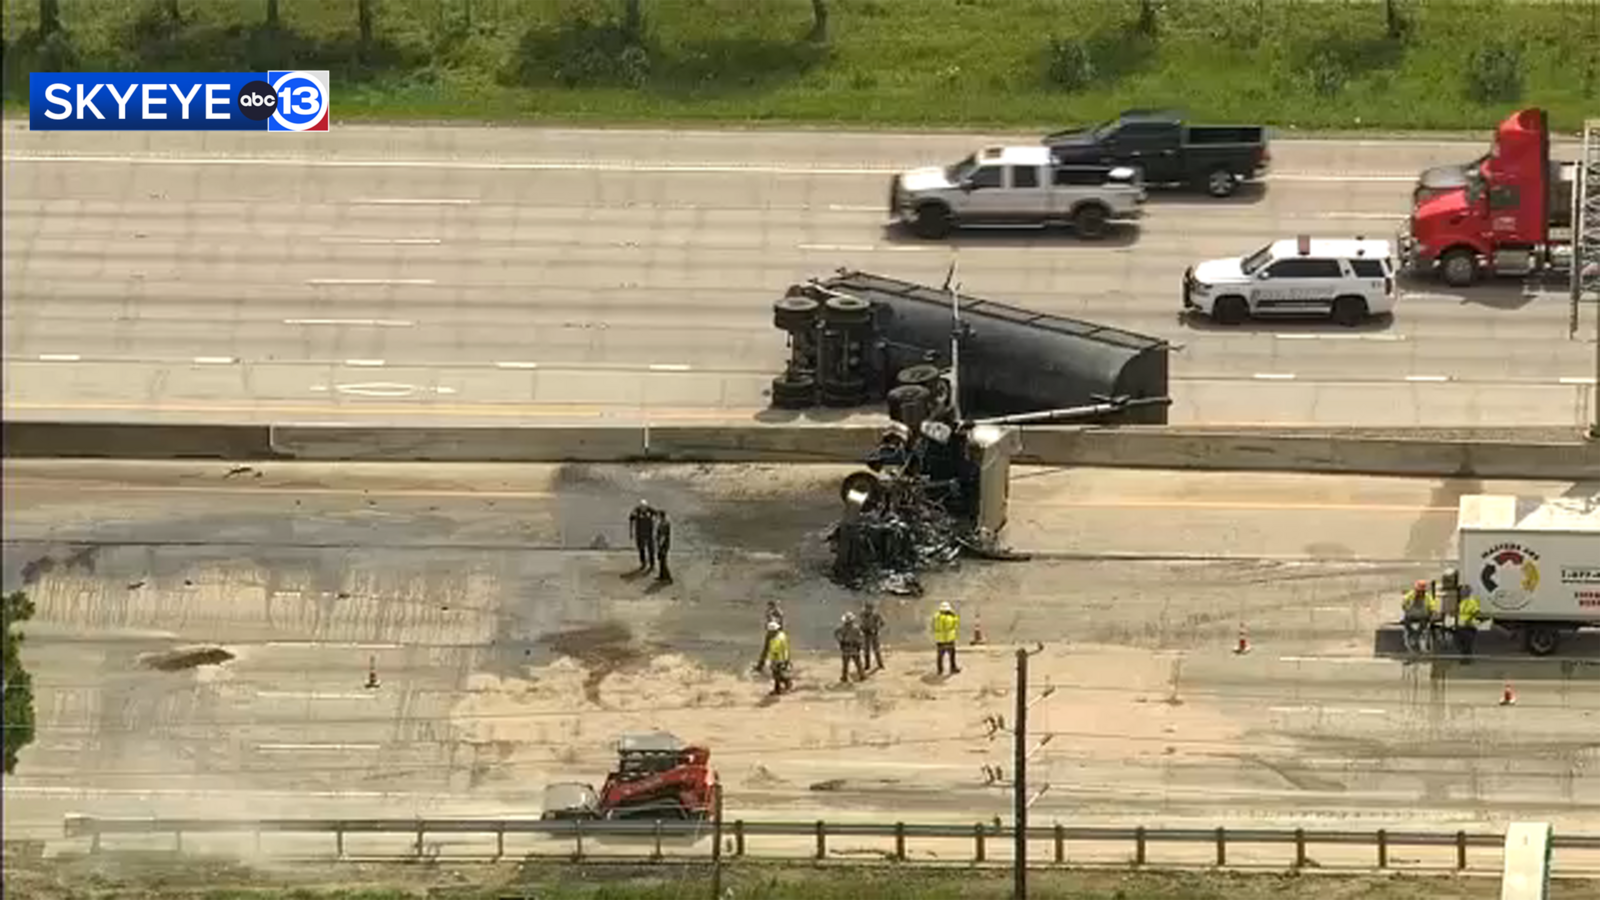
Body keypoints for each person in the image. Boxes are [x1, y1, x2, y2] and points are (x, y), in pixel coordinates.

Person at [1400, 579, 1435, 651]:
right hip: (1411, 616)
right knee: (1407, 622)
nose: (1420, 593)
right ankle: (1411, 635)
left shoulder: (1427, 597)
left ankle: (1418, 636)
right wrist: (1406, 609)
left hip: (1423, 617)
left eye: (1422, 591)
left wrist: (1431, 613)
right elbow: (1404, 604)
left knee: (1424, 625)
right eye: (1418, 591)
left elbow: (1432, 607)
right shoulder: (1410, 595)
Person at [834, 612, 865, 683]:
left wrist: (840, 640)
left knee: (848, 664)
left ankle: (845, 677)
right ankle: (861, 676)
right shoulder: (855, 628)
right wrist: (860, 644)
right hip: (852, 648)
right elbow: (861, 637)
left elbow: (836, 634)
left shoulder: (842, 628)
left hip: (847, 648)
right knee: (857, 663)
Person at [755, 601, 785, 673]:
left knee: (770, 651)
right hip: (774, 634)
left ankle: (764, 666)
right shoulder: (775, 613)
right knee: (769, 651)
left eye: (769, 606)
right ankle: (762, 666)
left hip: (774, 635)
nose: (768, 608)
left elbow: (775, 624)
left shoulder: (775, 613)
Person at [932, 601, 961, 675]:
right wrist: (954, 615)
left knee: (940, 656)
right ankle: (953, 668)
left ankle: (940, 670)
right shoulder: (950, 618)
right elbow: (955, 624)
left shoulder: (936, 617)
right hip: (949, 639)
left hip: (940, 639)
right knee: (952, 655)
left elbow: (933, 626)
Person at [628, 500, 657, 573]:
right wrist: (631, 532)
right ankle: (643, 562)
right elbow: (631, 519)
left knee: (651, 550)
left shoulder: (650, 510)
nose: (643, 509)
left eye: (644, 507)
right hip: (640, 534)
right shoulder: (636, 511)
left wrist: (654, 520)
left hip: (649, 533)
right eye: (642, 508)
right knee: (641, 549)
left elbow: (656, 514)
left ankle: (652, 564)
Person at [1456, 586, 1483, 661]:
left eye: (1463, 591)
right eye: (1461, 591)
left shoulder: (1471, 601)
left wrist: (1469, 619)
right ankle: (1466, 658)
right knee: (1460, 642)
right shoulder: (1461, 601)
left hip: (1469, 625)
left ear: (1468, 592)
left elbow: (1476, 611)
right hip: (1461, 624)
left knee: (1467, 643)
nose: (1461, 593)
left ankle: (1467, 659)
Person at [766, 621, 793, 695]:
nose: (769, 633)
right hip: (784, 658)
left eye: (770, 631)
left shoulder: (776, 640)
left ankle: (781, 688)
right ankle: (784, 685)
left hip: (778, 660)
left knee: (777, 675)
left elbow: (775, 652)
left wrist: (772, 662)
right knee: (779, 674)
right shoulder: (782, 635)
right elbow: (785, 647)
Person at [860, 600, 885, 672]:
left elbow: (882, 623)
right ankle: (867, 665)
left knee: (876, 649)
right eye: (867, 608)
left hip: (874, 634)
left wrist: (877, 628)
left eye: (869, 608)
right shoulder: (862, 614)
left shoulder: (876, 615)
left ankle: (880, 664)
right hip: (866, 633)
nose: (868, 609)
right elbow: (862, 623)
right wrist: (862, 629)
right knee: (866, 650)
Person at [654, 509, 673, 584]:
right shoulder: (664, 522)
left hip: (663, 545)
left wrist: (660, 546)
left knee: (663, 561)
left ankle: (668, 577)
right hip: (664, 544)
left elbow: (663, 536)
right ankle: (661, 576)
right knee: (661, 561)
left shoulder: (663, 524)